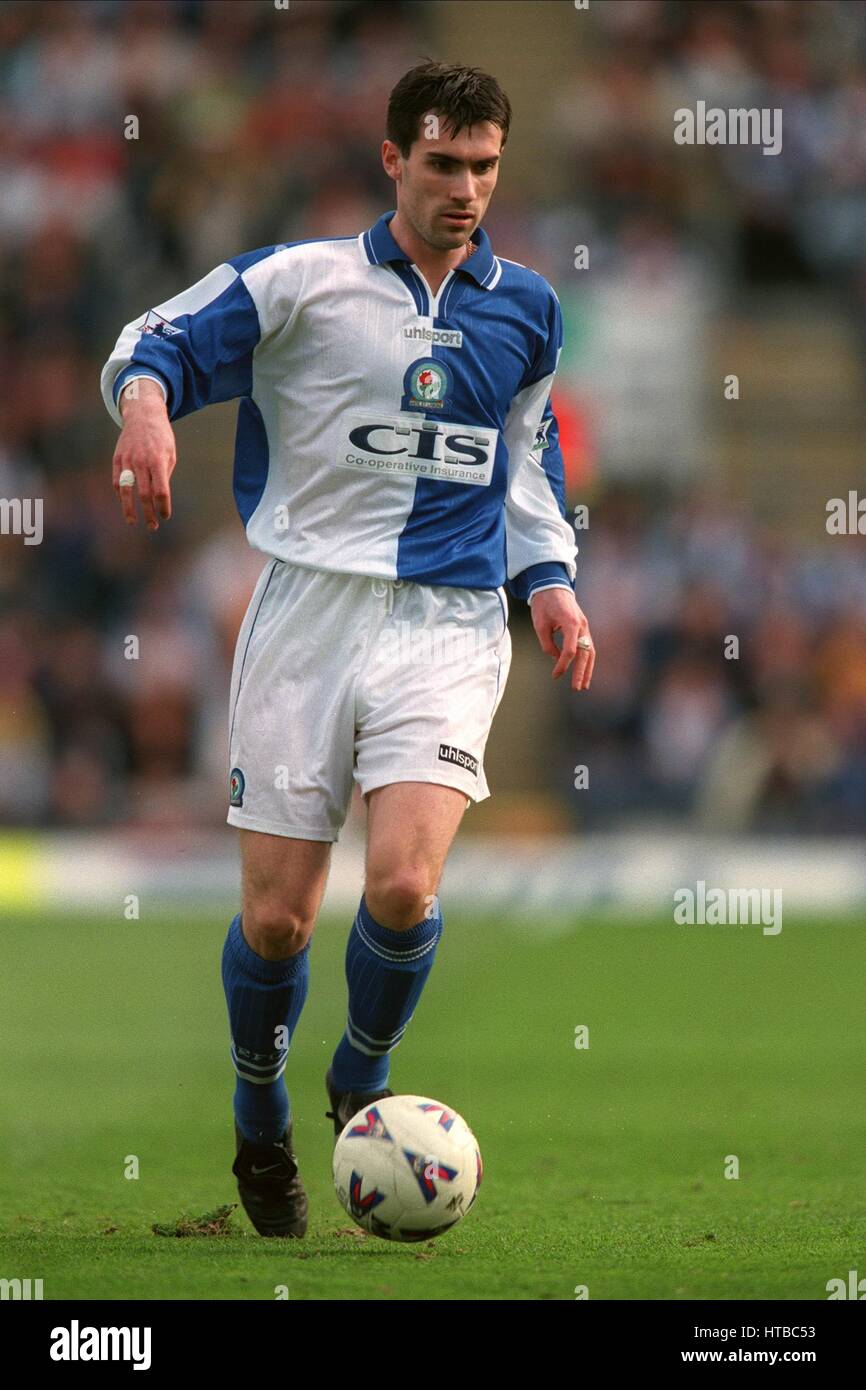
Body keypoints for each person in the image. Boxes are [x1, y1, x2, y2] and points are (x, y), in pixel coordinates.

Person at [100, 60, 595, 1238]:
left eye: (483, 166)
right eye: (442, 164)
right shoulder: (301, 282)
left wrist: (555, 583)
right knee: (277, 918)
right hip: (306, 610)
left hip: (446, 619)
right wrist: (147, 408)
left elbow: (528, 467)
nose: (465, 187)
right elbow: (153, 338)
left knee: (406, 882)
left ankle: (362, 1080)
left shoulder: (525, 307)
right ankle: (258, 1102)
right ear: (393, 160)